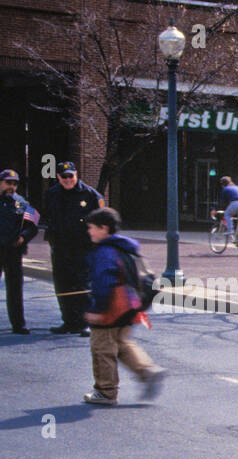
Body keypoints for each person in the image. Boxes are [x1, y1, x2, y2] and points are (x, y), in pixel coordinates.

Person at [80, 208, 165, 406]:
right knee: (121, 343)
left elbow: (104, 282)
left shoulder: (104, 251)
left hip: (112, 305)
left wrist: (96, 310)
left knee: (101, 347)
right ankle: (147, 370)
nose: (89, 232)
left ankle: (106, 391)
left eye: (92, 228)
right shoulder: (126, 247)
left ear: (104, 228)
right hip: (132, 302)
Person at [42, 161, 104, 336]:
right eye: (64, 177)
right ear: (58, 177)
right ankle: (68, 321)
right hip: (60, 248)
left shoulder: (91, 195)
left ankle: (85, 323)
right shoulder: (51, 194)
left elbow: (101, 223)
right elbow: (48, 217)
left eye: (71, 176)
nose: (68, 179)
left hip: (83, 248)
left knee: (82, 286)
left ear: (76, 174)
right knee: (62, 285)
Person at [1, 169, 39, 334]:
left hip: (13, 251)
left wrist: (23, 237)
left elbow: (34, 225)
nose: (12, 186)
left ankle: (18, 324)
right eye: (8, 183)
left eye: (15, 183)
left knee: (15, 288)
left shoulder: (22, 203)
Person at [218, 176, 238, 241]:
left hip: (236, 203)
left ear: (222, 184)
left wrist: (215, 209)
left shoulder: (225, 189)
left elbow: (222, 202)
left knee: (227, 214)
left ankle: (230, 230)